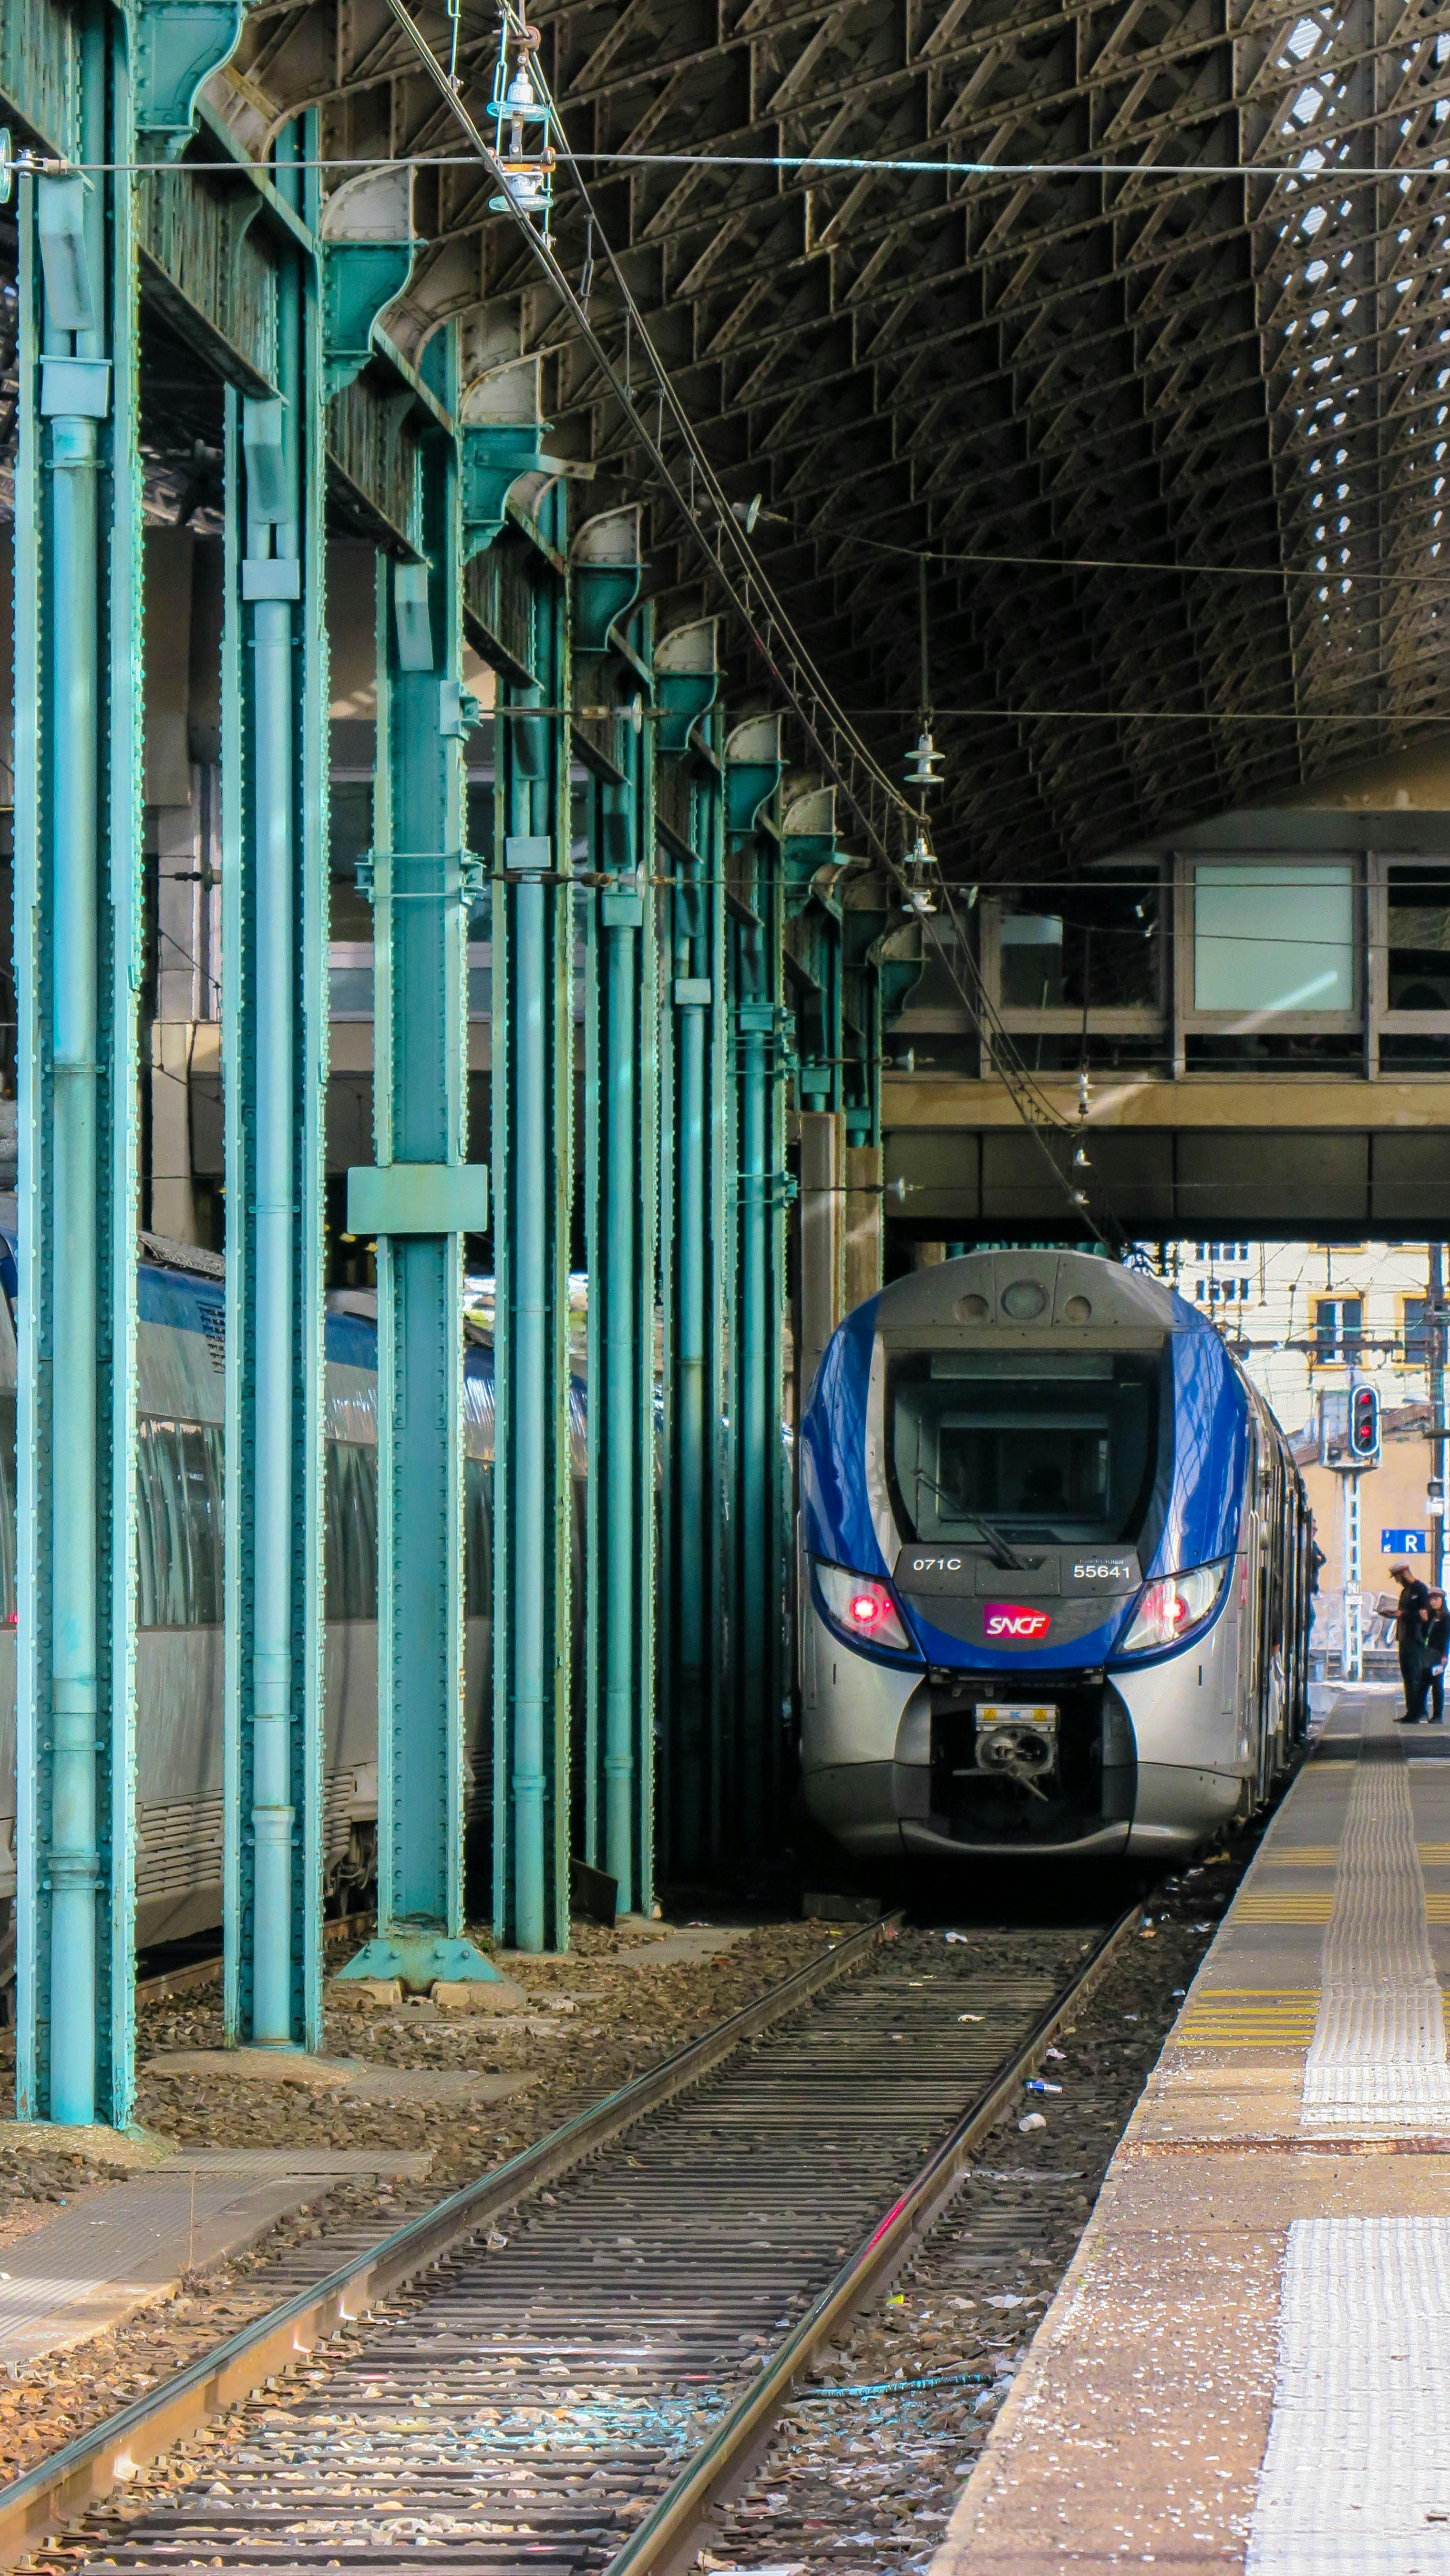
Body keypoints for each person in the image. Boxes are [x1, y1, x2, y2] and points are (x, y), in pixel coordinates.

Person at [1393, 1562, 1433, 1723]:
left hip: (1415, 1639)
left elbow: (1425, 1615)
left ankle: (1419, 1712)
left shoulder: (1420, 1590)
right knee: (1408, 1677)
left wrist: (1403, 1615)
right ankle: (1411, 1712)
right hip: (1404, 1638)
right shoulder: (1406, 1591)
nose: (1397, 1581)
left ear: (1404, 1574)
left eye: (1397, 1577)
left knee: (1416, 1676)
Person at [1428, 1588, 1450, 1725]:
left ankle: (1438, 1715)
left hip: (1439, 1656)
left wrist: (1444, 1655)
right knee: (1426, 1683)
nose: (1433, 1602)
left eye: (1436, 1599)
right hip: (1429, 1655)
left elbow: (1447, 1638)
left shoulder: (1446, 1617)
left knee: (1437, 1684)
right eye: (1431, 1599)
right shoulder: (1432, 1617)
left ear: (1442, 1600)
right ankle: (1423, 1712)